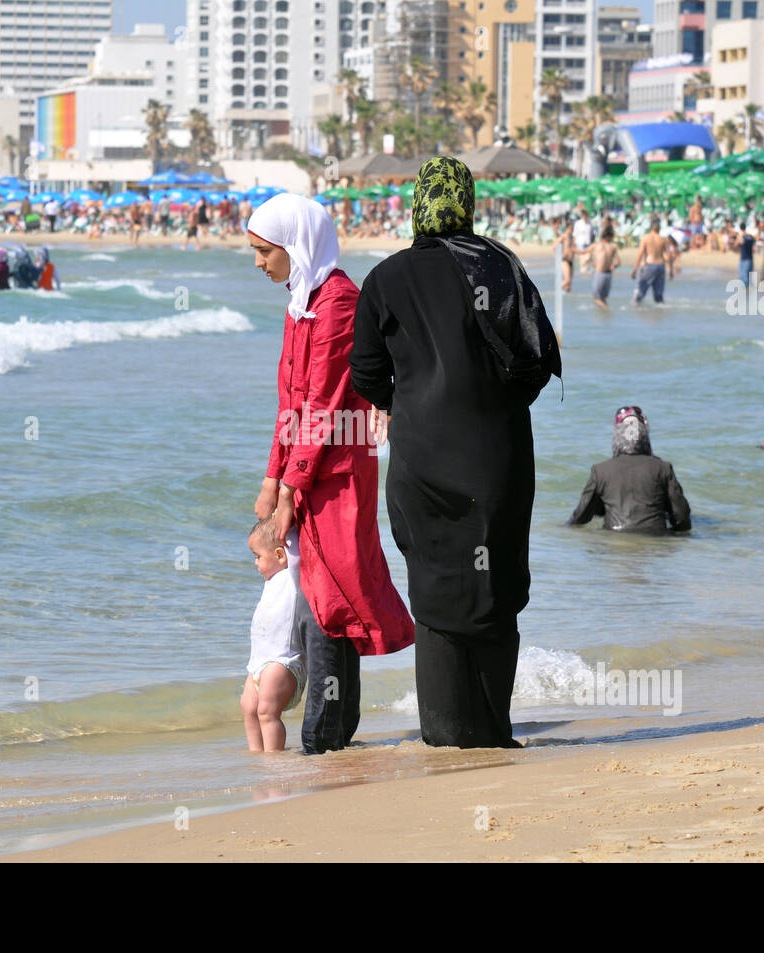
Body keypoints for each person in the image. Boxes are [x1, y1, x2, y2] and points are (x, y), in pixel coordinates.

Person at [351, 156, 561, 749]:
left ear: (418, 203)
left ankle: (445, 735)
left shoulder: (386, 279)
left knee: (436, 593)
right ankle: (494, 734)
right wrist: (497, 402)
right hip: (499, 461)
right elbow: (538, 357)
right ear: (468, 203)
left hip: (421, 464)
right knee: (495, 591)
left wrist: (408, 401)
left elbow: (365, 372)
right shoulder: (499, 267)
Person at [247, 192, 415, 754]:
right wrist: (273, 479)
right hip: (306, 470)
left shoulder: (339, 302)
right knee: (320, 599)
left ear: (295, 244)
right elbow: (288, 403)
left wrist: (291, 488)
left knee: (331, 602)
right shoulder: (302, 301)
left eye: (263, 251)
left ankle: (325, 738)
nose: (258, 263)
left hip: (338, 472)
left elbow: (322, 408)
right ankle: (328, 734)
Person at [568, 406, 691, 533]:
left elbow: (580, 518)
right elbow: (682, 519)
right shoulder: (663, 468)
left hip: (614, 543)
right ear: (644, 433)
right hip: (655, 547)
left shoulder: (600, 471)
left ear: (617, 435)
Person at [241, 517, 306, 751]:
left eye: (258, 556)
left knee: (267, 712)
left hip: (283, 661)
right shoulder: (270, 580)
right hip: (257, 664)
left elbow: (293, 544)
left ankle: (273, 758)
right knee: (248, 707)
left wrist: (282, 508)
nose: (256, 563)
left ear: (280, 555)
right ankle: (256, 755)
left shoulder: (291, 576)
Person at [632, 218, 667, 303]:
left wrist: (635, 269)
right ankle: (660, 313)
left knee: (640, 293)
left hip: (649, 265)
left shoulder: (645, 238)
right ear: (659, 229)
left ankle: (636, 310)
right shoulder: (663, 239)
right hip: (661, 266)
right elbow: (667, 256)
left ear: (651, 228)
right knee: (659, 296)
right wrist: (671, 270)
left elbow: (640, 254)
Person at [585, 224, 620, 308]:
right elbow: (618, 262)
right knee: (603, 298)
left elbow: (584, 252)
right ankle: (605, 317)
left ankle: (607, 309)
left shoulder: (597, 245)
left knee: (595, 298)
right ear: (609, 237)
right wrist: (613, 266)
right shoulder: (612, 247)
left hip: (600, 274)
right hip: (609, 275)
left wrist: (573, 250)